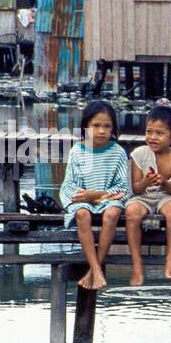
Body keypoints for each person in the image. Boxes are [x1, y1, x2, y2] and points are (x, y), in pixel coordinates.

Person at [60, 100, 129, 290]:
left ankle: (94, 269)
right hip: (83, 200)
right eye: (96, 126)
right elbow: (69, 186)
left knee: (112, 214)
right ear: (85, 127)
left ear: (113, 128)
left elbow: (123, 187)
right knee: (82, 214)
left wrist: (97, 195)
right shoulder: (77, 151)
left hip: (108, 200)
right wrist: (87, 197)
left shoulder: (118, 153)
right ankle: (96, 268)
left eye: (107, 126)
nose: (101, 131)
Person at [123, 103, 171, 286]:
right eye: (149, 132)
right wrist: (146, 182)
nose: (153, 137)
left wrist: (164, 182)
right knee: (132, 211)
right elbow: (136, 189)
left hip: (167, 196)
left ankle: (170, 261)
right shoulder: (139, 154)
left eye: (160, 133)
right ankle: (136, 265)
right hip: (143, 197)